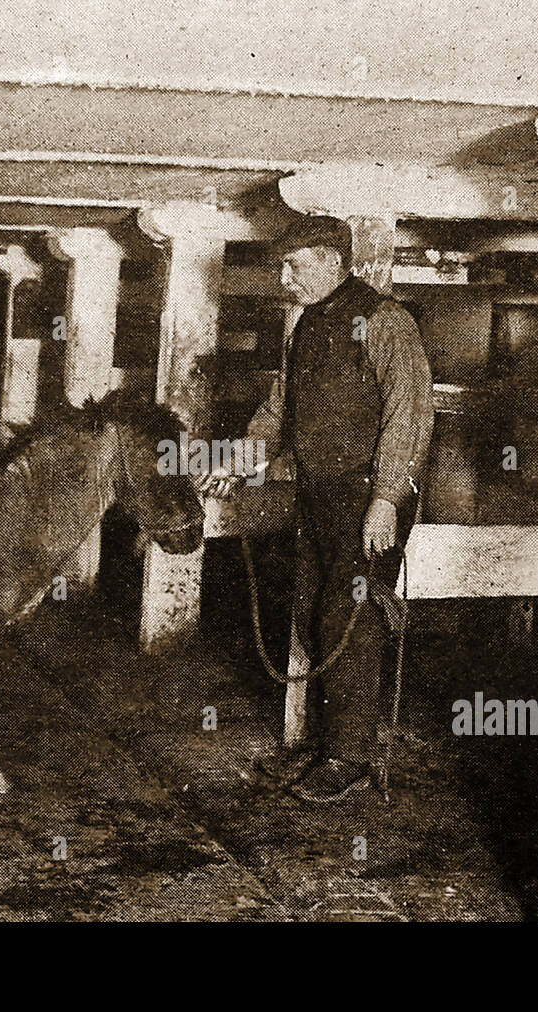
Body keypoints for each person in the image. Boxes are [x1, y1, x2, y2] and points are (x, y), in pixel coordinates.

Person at [200, 215, 433, 802]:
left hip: (368, 497)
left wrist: (385, 499)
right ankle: (328, 740)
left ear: (334, 262)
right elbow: (280, 409)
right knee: (308, 610)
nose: (285, 279)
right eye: (283, 267)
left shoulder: (387, 322)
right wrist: (239, 460)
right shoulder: (305, 326)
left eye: (295, 266)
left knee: (346, 619)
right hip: (319, 495)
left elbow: (407, 417)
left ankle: (350, 758)